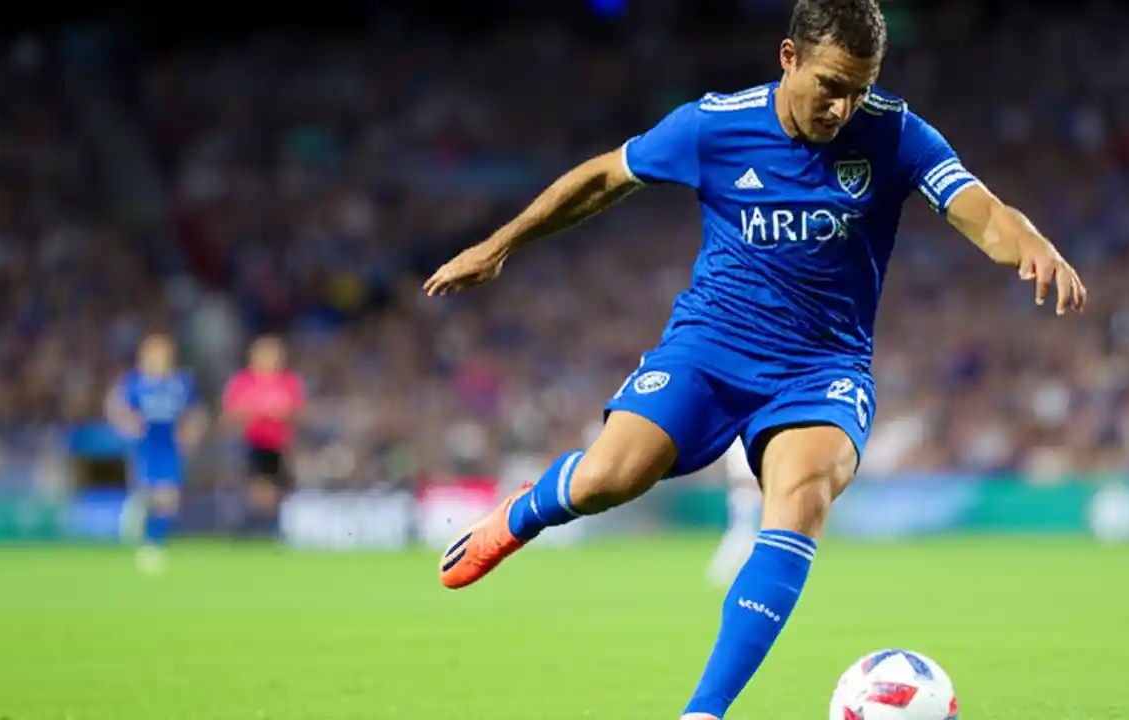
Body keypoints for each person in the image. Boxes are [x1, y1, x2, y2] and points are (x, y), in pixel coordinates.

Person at [423, 1, 1087, 717]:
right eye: (831, 83)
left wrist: (1032, 245)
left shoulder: (894, 134)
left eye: (860, 87)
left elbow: (981, 211)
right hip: (709, 346)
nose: (844, 105)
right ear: (788, 58)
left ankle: (703, 711)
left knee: (800, 500)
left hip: (821, 368)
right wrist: (500, 245)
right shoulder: (713, 125)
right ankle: (526, 511)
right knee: (612, 478)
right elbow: (604, 178)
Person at [106, 333, 205, 574]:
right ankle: (148, 539)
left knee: (170, 500)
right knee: (154, 494)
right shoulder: (136, 382)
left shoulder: (181, 383)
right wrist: (128, 425)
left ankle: (151, 539)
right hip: (145, 447)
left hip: (170, 447)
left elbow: (197, 411)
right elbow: (117, 407)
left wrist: (192, 431)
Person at [221, 335, 307, 537]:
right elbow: (230, 415)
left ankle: (272, 529)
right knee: (259, 490)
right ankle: (258, 529)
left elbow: (299, 414)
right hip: (253, 444)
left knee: (279, 490)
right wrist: (256, 413)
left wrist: (282, 413)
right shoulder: (243, 382)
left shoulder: (288, 382)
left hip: (280, 445)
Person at [706, 440, 763, 588]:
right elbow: (743, 477)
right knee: (740, 537)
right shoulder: (739, 448)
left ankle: (736, 572)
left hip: (749, 496)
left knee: (747, 537)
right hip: (744, 496)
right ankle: (720, 570)